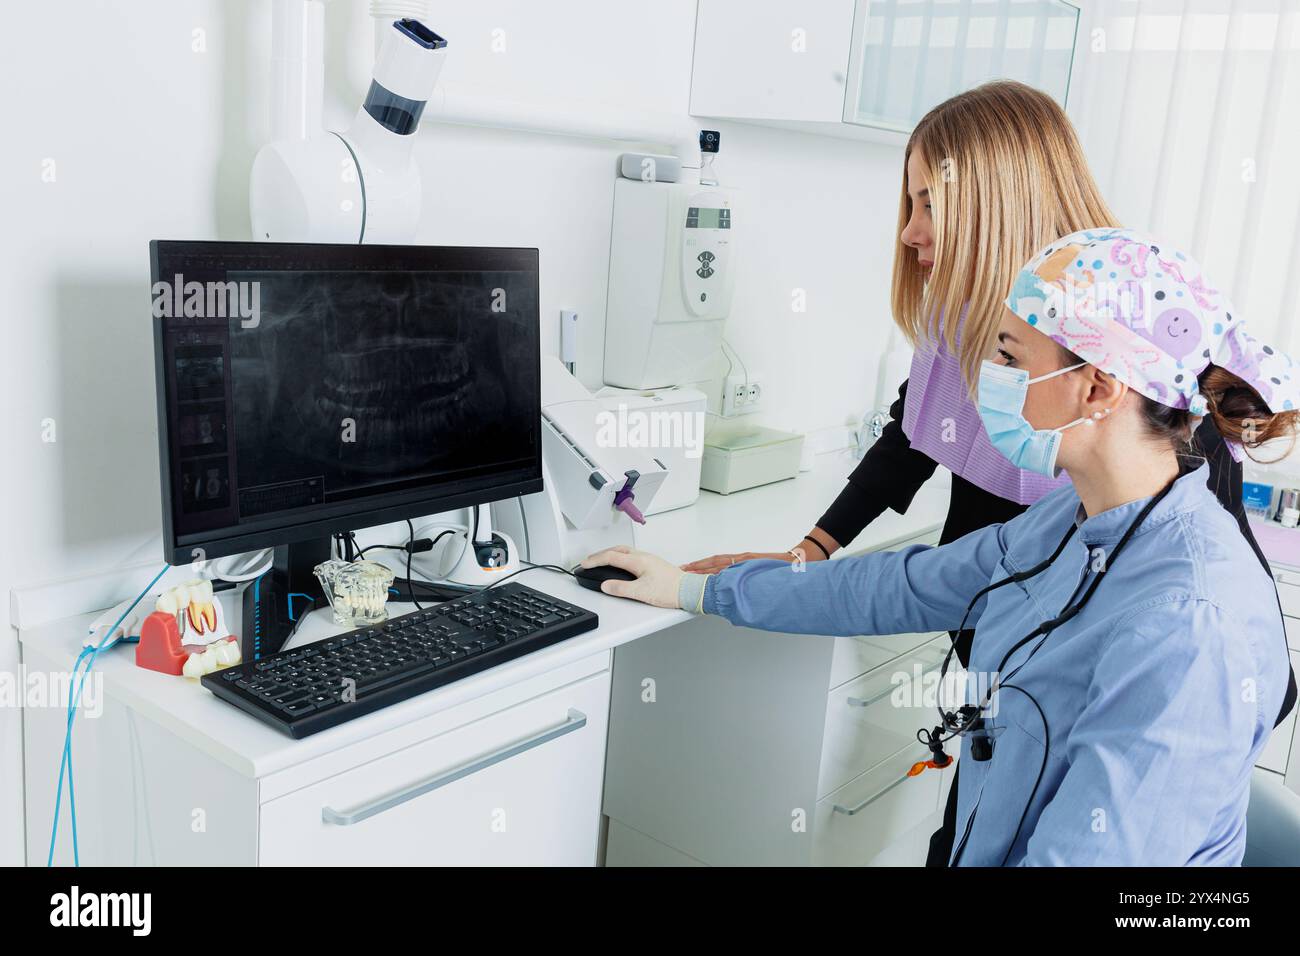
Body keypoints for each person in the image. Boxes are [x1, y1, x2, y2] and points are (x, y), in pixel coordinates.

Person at [682, 80, 1296, 864]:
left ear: (1101, 390)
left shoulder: (1171, 553)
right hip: (1018, 686)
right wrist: (784, 560)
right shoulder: (1051, 518)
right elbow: (915, 526)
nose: (909, 232)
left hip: (1113, 696)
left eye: (929, 203)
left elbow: (1197, 670)